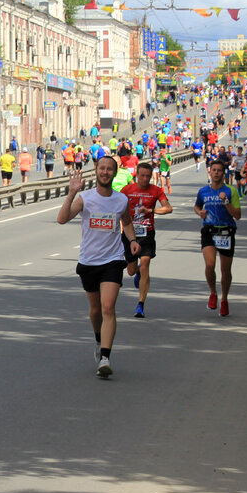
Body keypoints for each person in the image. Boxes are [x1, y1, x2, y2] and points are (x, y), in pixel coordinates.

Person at [57, 156, 137, 378]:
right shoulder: (85, 198)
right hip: (89, 261)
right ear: (96, 170)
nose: (105, 172)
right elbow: (62, 219)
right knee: (95, 311)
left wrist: (132, 241)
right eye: (102, 168)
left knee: (108, 307)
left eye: (109, 169)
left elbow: (127, 222)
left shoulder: (121, 200)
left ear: (114, 172)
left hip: (113, 260)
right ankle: (98, 338)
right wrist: (72, 192)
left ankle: (105, 357)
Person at [120, 161, 173, 319]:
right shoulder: (127, 190)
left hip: (147, 233)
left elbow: (168, 208)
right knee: (130, 271)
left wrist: (151, 210)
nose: (144, 179)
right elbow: (116, 207)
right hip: (130, 233)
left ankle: (140, 304)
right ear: (136, 175)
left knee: (145, 265)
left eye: (148, 176)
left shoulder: (156, 190)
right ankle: (135, 270)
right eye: (142, 175)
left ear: (151, 177)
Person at [194, 158, 242, 317]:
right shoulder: (203, 191)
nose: (216, 173)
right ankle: (213, 292)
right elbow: (197, 206)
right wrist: (199, 212)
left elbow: (238, 216)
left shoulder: (230, 191)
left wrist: (226, 202)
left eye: (219, 170)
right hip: (209, 230)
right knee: (209, 264)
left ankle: (225, 299)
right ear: (210, 171)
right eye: (214, 170)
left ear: (223, 173)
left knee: (225, 270)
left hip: (226, 231)